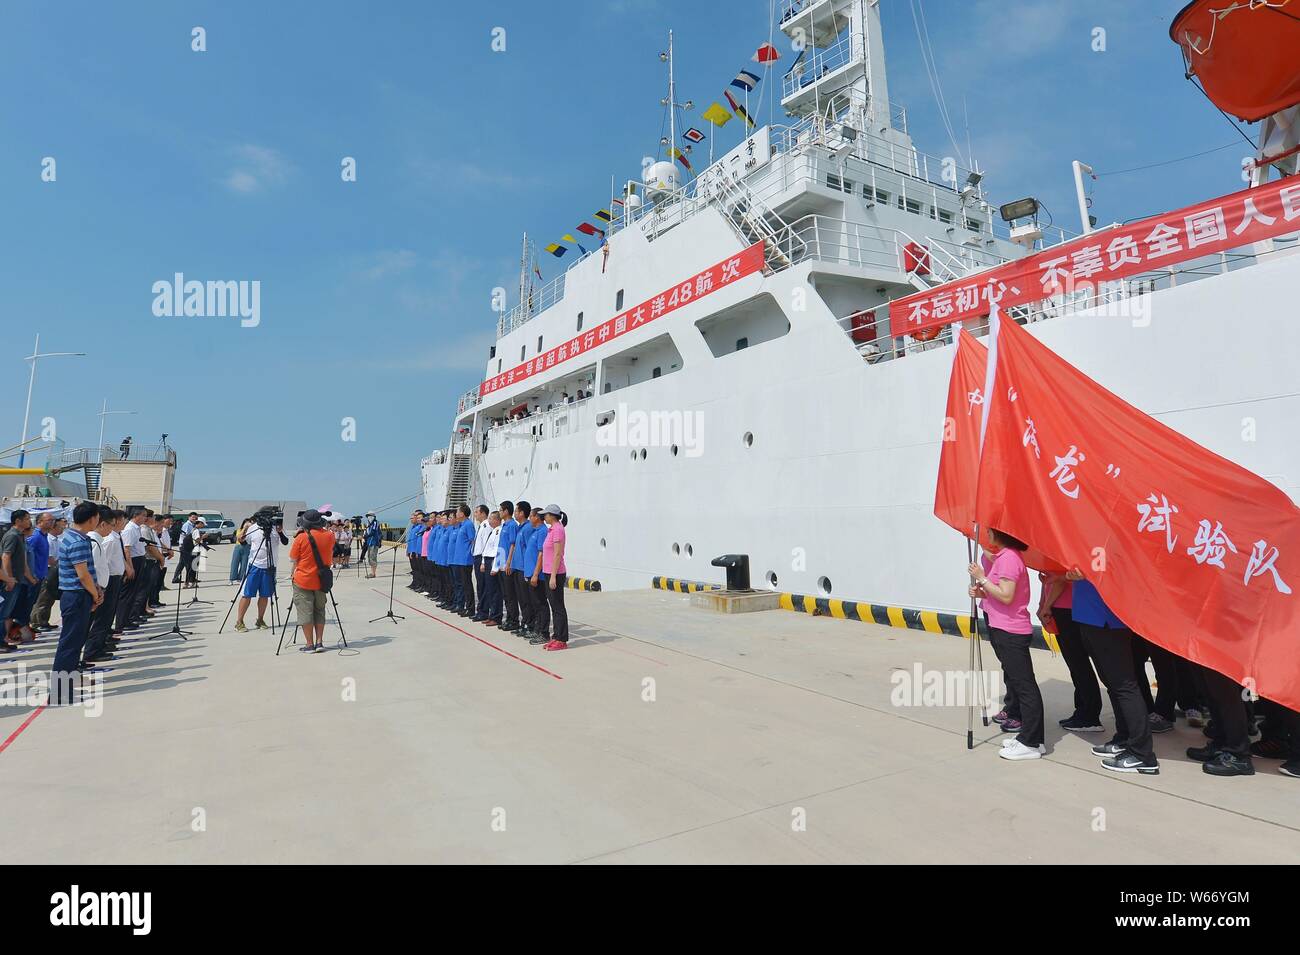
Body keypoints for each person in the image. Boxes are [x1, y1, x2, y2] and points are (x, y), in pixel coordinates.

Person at [1069, 569, 1160, 775]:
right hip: (1090, 615)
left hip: (1108, 619)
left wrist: (1086, 572)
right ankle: (1125, 738)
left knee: (1124, 686)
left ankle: (1142, 754)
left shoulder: (1112, 541)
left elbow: (1119, 571)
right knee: (1113, 685)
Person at [968, 529, 1041, 760]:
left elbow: (1008, 596)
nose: (987, 533)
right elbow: (1001, 595)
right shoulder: (1005, 556)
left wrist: (982, 578)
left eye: (990, 530)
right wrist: (982, 593)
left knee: (1025, 687)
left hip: (1011, 630)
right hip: (1003, 627)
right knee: (1019, 683)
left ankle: (1032, 741)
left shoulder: (1009, 558)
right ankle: (1028, 739)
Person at [48, 501, 103, 705]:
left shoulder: (73, 536)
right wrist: (95, 594)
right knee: (70, 645)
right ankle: (60, 692)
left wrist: (95, 590)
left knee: (72, 643)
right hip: (77, 595)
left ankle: (65, 687)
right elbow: (83, 574)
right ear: (91, 519)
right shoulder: (79, 541)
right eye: (97, 517)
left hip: (77, 594)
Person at [1038, 571, 1103, 734]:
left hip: (1067, 608)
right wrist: (1043, 604)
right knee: (1076, 665)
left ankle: (1090, 714)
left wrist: (1046, 606)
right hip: (1060, 607)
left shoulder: (1061, 553)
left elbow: (1060, 582)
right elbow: (1046, 582)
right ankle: (1082, 710)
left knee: (1078, 663)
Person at [288, 509, 336, 653]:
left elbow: (293, 559)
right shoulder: (330, 535)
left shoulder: (301, 537)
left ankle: (309, 644)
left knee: (305, 612)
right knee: (320, 610)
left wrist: (300, 534)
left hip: (303, 580)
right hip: (322, 581)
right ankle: (319, 642)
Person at [84, 508, 126, 664]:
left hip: (104, 584)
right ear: (102, 524)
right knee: (100, 619)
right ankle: (92, 650)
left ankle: (99, 646)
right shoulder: (98, 542)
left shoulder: (101, 540)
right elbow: (93, 568)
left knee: (106, 617)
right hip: (99, 588)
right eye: (111, 525)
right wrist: (97, 590)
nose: (112, 528)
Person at [234, 510, 286, 632]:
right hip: (254, 566)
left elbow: (285, 541)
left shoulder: (275, 528)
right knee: (247, 594)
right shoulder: (254, 528)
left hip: (270, 567)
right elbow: (241, 540)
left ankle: (260, 619)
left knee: (265, 595)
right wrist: (245, 528)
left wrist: (280, 531)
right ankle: (239, 621)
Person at [1, 509, 37, 647]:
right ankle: (2, 640)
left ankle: (5, 637)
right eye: (27, 519)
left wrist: (30, 577)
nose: (29, 521)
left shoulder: (20, 536)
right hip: (11, 581)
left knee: (10, 612)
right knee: (4, 612)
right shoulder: (12, 536)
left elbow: (23, 562)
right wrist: (8, 578)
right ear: (18, 521)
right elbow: (6, 557)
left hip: (19, 580)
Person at [539, 505, 569, 650]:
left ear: (552, 515)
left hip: (555, 572)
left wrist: (553, 576)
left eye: (545, 514)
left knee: (558, 606)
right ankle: (556, 636)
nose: (544, 517)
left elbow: (557, 554)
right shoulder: (552, 529)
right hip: (549, 571)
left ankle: (562, 639)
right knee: (554, 605)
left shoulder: (558, 529)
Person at [114, 507, 148, 633]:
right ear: (136, 516)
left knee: (133, 593)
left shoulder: (136, 528)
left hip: (138, 559)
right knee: (127, 594)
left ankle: (128, 619)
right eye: (144, 515)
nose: (145, 518)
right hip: (132, 561)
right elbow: (127, 549)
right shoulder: (129, 529)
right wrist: (130, 567)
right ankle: (121, 623)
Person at [27, 515, 64, 631]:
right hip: (39, 573)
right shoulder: (36, 536)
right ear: (39, 522)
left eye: (53, 521)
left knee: (48, 598)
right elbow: (27, 553)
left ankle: (42, 621)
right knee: (42, 599)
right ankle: (37, 622)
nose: (52, 523)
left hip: (44, 572)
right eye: (49, 521)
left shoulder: (44, 536)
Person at [523, 506, 549, 645]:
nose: (529, 518)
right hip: (530, 573)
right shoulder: (535, 531)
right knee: (535, 604)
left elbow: (541, 554)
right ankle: (538, 629)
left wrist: (535, 574)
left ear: (536, 517)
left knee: (541, 604)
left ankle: (544, 633)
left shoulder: (542, 532)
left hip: (537, 575)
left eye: (531, 516)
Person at [511, 501, 535, 638]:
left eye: (516, 511)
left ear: (521, 513)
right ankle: (524, 622)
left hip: (524, 569)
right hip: (517, 567)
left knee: (526, 599)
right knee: (521, 598)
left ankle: (529, 624)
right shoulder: (520, 527)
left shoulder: (527, 528)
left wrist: (528, 570)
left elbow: (529, 550)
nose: (515, 513)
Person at [495, 501, 520, 632]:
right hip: (501, 563)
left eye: (500, 510)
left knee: (510, 595)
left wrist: (509, 562)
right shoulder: (504, 525)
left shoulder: (511, 525)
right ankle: (509, 618)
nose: (499, 512)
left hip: (507, 564)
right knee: (505, 594)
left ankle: (514, 620)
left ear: (505, 511)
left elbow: (513, 545)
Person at [448, 504, 476, 616]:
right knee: (461, 584)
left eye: (458, 512)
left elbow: (472, 541)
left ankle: (470, 609)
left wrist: (469, 555)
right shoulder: (462, 525)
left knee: (467, 585)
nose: (456, 514)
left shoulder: (468, 524)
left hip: (465, 560)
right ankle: (463, 606)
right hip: (459, 560)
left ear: (463, 514)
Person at [477, 511, 503, 625]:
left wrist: (495, 567)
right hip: (487, 560)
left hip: (493, 561)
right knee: (490, 590)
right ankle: (492, 615)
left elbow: (499, 549)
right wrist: (483, 562)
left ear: (497, 520)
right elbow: (487, 548)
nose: (490, 521)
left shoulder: (499, 530)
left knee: (495, 591)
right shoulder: (493, 531)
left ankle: (496, 616)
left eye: (492, 519)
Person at [471, 505, 492, 622]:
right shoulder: (481, 526)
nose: (475, 514)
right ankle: (480, 610)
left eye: (477, 512)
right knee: (480, 586)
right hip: (477, 557)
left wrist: (483, 561)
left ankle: (483, 611)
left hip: (481, 558)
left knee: (483, 587)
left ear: (483, 513)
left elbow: (486, 546)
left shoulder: (486, 526)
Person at [173, 513, 200, 584]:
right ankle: (187, 579)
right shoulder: (187, 525)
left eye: (195, 518)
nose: (194, 519)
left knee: (182, 562)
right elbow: (186, 535)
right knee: (186, 563)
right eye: (193, 517)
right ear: (189, 517)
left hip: (188, 546)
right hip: (184, 546)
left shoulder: (192, 525)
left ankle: (187, 578)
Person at [229, 517, 253, 583]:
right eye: (246, 523)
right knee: (235, 562)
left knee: (244, 564)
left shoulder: (251, 531)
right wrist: (245, 528)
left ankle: (241, 578)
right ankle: (232, 578)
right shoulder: (239, 530)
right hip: (238, 547)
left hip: (247, 547)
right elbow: (239, 537)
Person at [363, 513, 381, 578]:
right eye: (368, 516)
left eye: (370, 516)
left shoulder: (375, 523)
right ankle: (372, 572)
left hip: (374, 542)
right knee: (369, 557)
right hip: (369, 542)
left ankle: (373, 573)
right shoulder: (368, 524)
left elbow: (373, 531)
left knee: (373, 557)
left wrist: (367, 536)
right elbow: (367, 532)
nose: (369, 517)